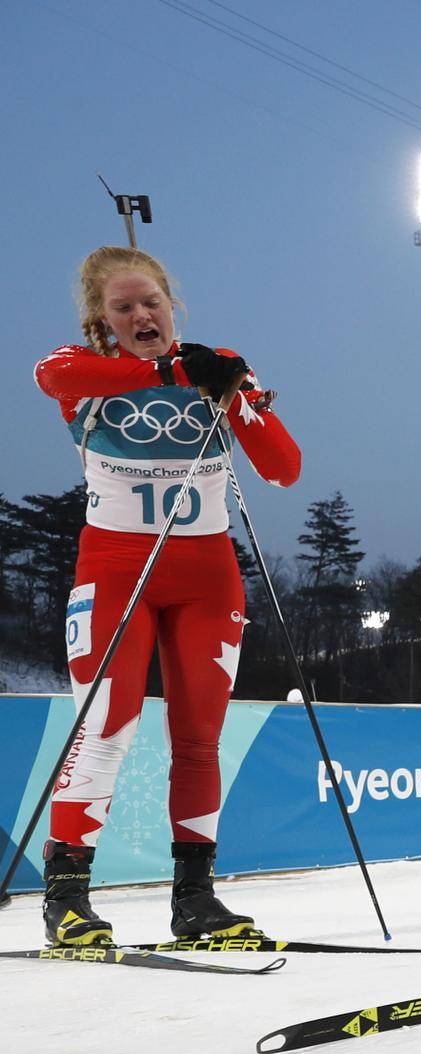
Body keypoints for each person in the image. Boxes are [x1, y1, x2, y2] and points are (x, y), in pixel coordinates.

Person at [31, 246, 301, 946]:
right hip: (117, 572)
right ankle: (66, 898)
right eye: (123, 307)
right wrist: (169, 371)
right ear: (103, 318)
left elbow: (283, 469)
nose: (140, 314)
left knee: (200, 737)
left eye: (150, 300)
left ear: (170, 301)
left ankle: (196, 900)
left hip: (206, 576)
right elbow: (49, 373)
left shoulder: (217, 363)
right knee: (109, 723)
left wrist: (237, 397)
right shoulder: (84, 372)